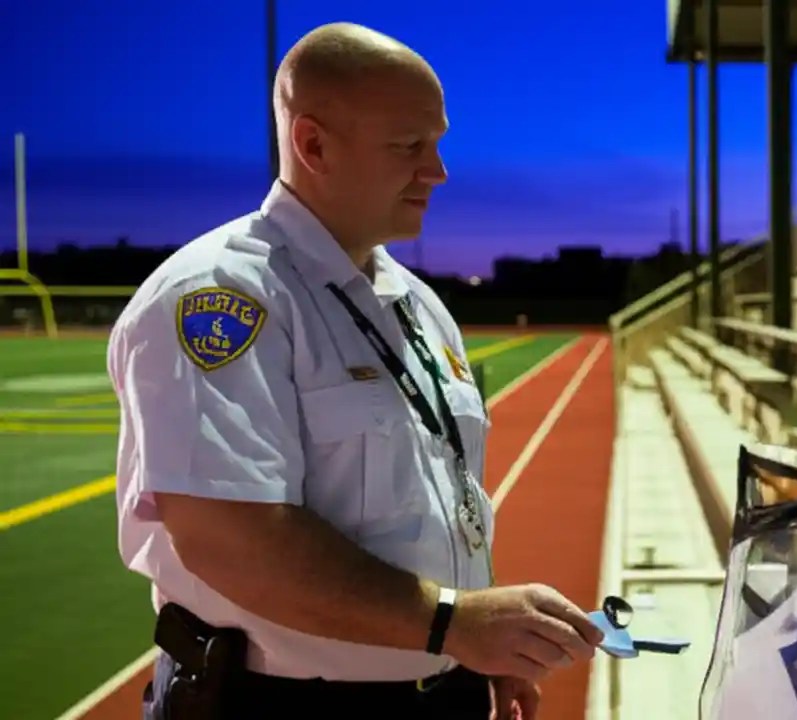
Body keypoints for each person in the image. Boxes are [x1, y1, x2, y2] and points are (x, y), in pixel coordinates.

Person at [107, 22, 603, 719]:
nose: (438, 172)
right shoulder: (222, 297)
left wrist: (474, 647)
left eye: (437, 144)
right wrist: (455, 624)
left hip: (440, 685)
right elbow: (230, 540)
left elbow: (439, 502)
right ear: (313, 145)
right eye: (410, 147)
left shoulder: (418, 304)